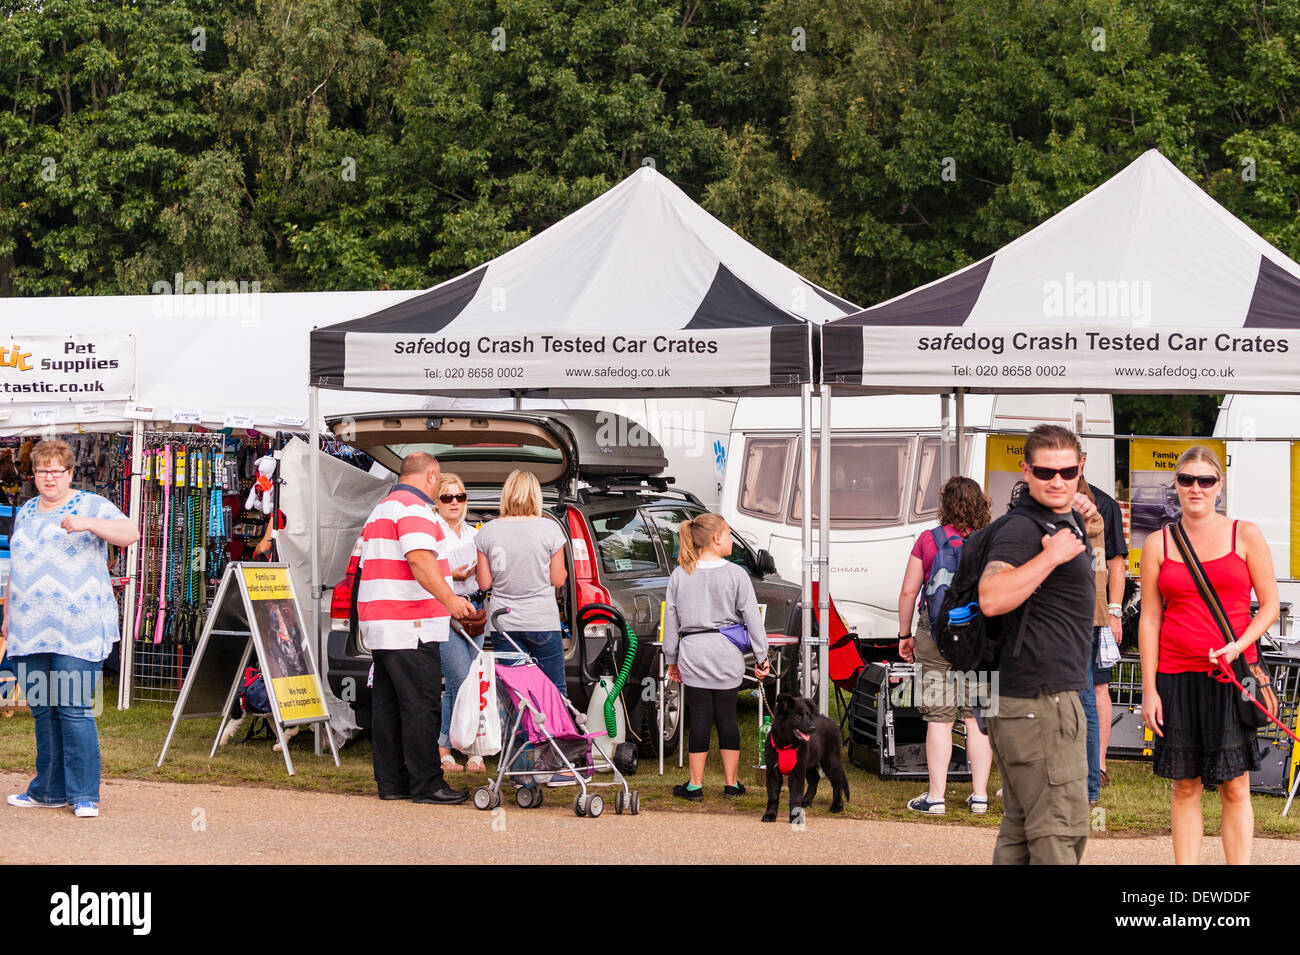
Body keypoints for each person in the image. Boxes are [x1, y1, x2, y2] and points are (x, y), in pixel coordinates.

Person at [1139, 446, 1276, 865]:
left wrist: (1239, 642)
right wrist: (1149, 689)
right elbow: (1149, 619)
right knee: (1185, 785)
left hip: (1234, 674)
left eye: (1205, 480)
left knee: (1235, 785)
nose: (1196, 488)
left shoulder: (1245, 533)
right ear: (1175, 485)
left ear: (1219, 485)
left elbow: (1269, 604)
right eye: (1187, 480)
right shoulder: (1157, 544)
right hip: (1177, 676)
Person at [978, 424, 1096, 865]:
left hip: (1028, 701)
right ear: (1025, 470)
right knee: (1057, 835)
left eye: (1067, 471)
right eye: (1045, 472)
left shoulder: (1060, 518)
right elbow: (991, 598)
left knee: (1023, 833)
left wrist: (1082, 521)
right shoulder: (1023, 532)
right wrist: (1050, 556)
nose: (1058, 481)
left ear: (1081, 467)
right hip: (1040, 703)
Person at [3, 439, 139, 817]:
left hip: (77, 628)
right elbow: (18, 565)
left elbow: (131, 533)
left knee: (74, 709)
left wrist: (87, 524)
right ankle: (46, 791)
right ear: (33, 475)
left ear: (70, 473)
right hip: (30, 628)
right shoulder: (27, 510)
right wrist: (9, 616)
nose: (49, 477)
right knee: (44, 710)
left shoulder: (92, 505)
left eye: (57, 470)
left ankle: (83, 794)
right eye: (42, 470)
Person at [357, 452, 474, 805]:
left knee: (389, 705)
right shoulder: (416, 509)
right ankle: (427, 785)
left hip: (382, 622)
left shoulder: (382, 508)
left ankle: (392, 783)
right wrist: (451, 601)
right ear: (431, 476)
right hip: (411, 623)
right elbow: (419, 560)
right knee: (421, 705)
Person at [898, 476, 994, 815]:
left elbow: (910, 591)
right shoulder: (990, 540)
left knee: (939, 720)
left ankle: (936, 798)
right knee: (976, 718)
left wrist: (904, 634)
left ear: (945, 504)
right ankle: (980, 796)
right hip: (978, 639)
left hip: (936, 634)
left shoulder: (928, 540)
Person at [662, 512, 771, 800]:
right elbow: (752, 619)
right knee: (727, 718)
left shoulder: (679, 574)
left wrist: (670, 659)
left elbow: (670, 621)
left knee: (699, 718)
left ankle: (695, 785)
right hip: (726, 653)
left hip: (693, 652)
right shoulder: (737, 574)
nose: (732, 539)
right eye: (729, 533)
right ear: (716, 538)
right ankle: (731, 783)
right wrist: (762, 657)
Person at [475, 470, 568, 694]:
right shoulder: (550, 529)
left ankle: (522, 730)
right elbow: (558, 578)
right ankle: (556, 730)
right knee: (553, 690)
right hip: (542, 621)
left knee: (517, 692)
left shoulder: (487, 532)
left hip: (504, 624)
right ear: (536, 495)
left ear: (506, 495)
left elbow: (484, 583)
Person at [433, 472, 485, 774]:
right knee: (461, 680)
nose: (455, 503)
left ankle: (460, 747)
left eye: (460, 497)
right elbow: (421, 572)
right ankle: (449, 745)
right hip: (445, 610)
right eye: (448, 497)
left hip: (474, 606)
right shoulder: (432, 532)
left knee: (470, 682)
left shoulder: (474, 532)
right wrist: (454, 575)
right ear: (437, 502)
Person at [1081, 452, 1128, 790]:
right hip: (1057, 615)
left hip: (1096, 614)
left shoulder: (1105, 504)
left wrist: (1114, 610)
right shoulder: (1041, 503)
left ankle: (1097, 766)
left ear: (1082, 461)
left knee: (1098, 688)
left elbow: (1116, 562)